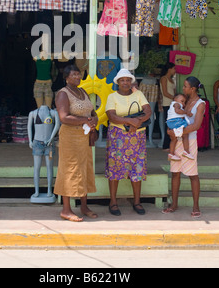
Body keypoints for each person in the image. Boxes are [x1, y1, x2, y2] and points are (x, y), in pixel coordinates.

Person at [53, 65, 98, 222]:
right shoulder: (63, 94)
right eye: (74, 75)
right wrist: (86, 120)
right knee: (70, 170)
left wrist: (94, 120)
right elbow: (64, 117)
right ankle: (66, 209)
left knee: (84, 168)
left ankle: (84, 207)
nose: (78, 77)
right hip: (70, 137)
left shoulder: (82, 91)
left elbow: (92, 112)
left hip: (84, 136)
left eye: (79, 75)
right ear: (66, 77)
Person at [105, 68, 152, 216]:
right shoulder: (112, 97)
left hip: (137, 137)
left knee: (137, 167)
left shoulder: (138, 94)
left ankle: (137, 202)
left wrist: (136, 122)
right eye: (122, 80)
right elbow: (111, 116)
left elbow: (148, 111)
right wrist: (130, 121)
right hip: (117, 136)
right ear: (118, 82)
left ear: (131, 82)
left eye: (127, 80)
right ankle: (113, 202)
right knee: (115, 168)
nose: (125, 82)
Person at [162, 77, 205, 218]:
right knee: (175, 173)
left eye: (186, 86)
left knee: (193, 175)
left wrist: (176, 132)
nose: (183, 88)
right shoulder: (182, 101)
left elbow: (196, 126)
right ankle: (174, 204)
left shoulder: (200, 104)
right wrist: (172, 131)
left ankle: (196, 206)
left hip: (189, 141)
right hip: (177, 140)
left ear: (193, 89)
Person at [166, 93, 194, 161]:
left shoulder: (174, 104)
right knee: (185, 135)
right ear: (175, 99)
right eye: (182, 101)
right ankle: (186, 151)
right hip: (176, 122)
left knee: (173, 139)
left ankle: (171, 154)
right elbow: (177, 111)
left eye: (184, 102)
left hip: (171, 123)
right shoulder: (176, 104)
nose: (183, 103)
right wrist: (186, 112)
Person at [160, 62, 176, 150]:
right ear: (169, 69)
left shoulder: (172, 79)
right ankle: (166, 145)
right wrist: (174, 98)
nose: (175, 71)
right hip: (167, 103)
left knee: (173, 123)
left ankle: (171, 143)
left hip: (173, 104)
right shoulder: (164, 78)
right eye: (174, 68)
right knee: (169, 124)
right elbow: (165, 93)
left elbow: (174, 91)